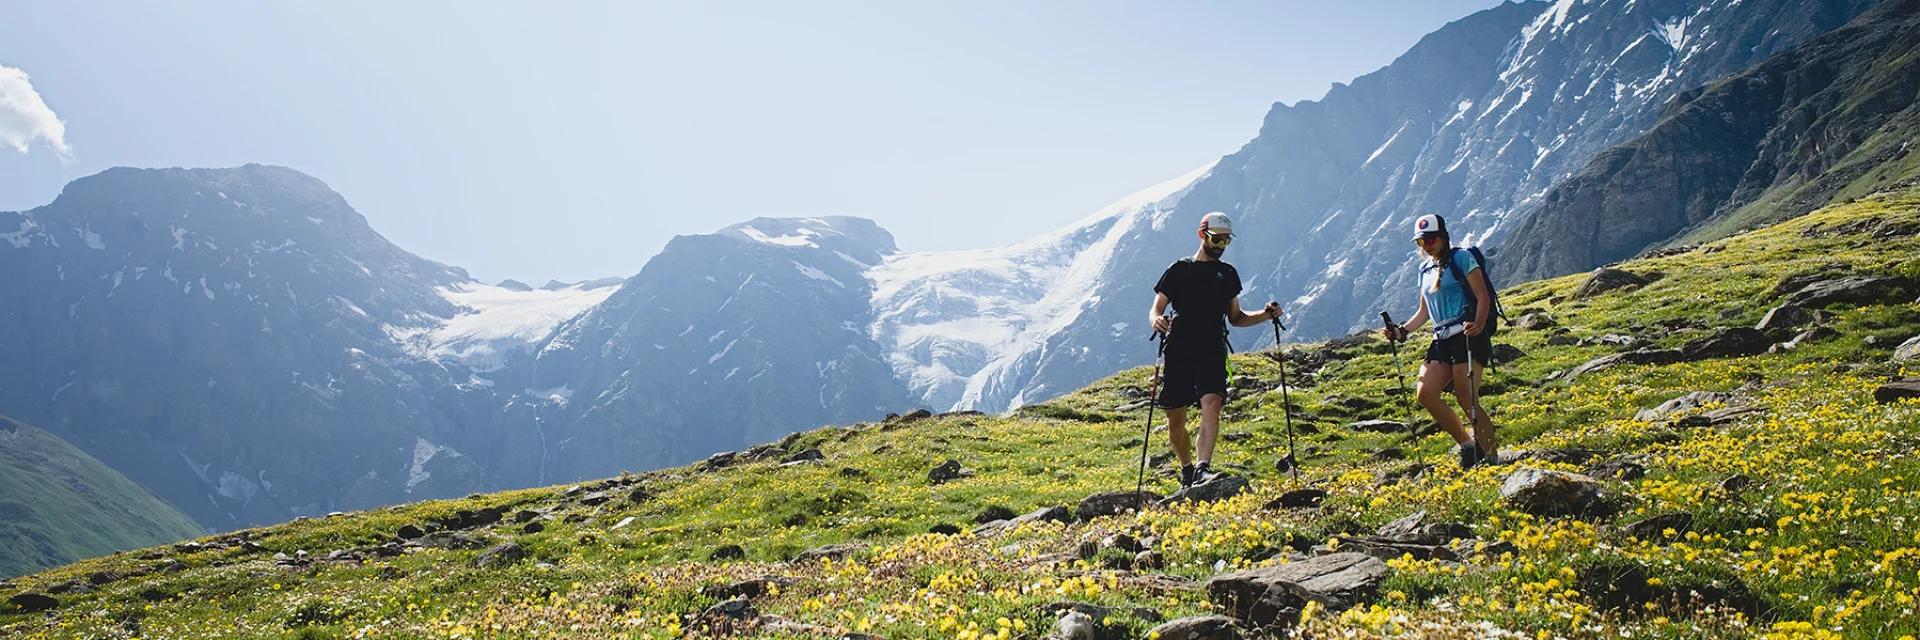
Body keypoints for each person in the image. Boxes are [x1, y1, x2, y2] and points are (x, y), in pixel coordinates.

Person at [1148, 212, 1283, 486]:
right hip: (1179, 347)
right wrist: (1156, 320)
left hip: (1212, 346)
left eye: (1225, 241)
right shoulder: (1179, 270)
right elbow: (1156, 308)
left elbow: (1236, 317)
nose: (1221, 246)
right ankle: (1186, 468)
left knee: (1213, 402)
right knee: (1175, 418)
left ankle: (1202, 467)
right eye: (1216, 239)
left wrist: (1266, 315)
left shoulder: (1228, 274)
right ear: (1202, 235)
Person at [1383, 214, 1498, 469]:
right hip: (1441, 339)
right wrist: (1402, 331)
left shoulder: (1462, 259)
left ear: (1444, 237)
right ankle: (1469, 447)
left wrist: (1478, 326)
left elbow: (1483, 296)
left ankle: (1492, 458)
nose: (1428, 245)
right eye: (1422, 242)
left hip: (1467, 335)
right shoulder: (1424, 269)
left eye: (1432, 239)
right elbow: (1424, 311)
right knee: (1426, 393)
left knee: (1465, 396)